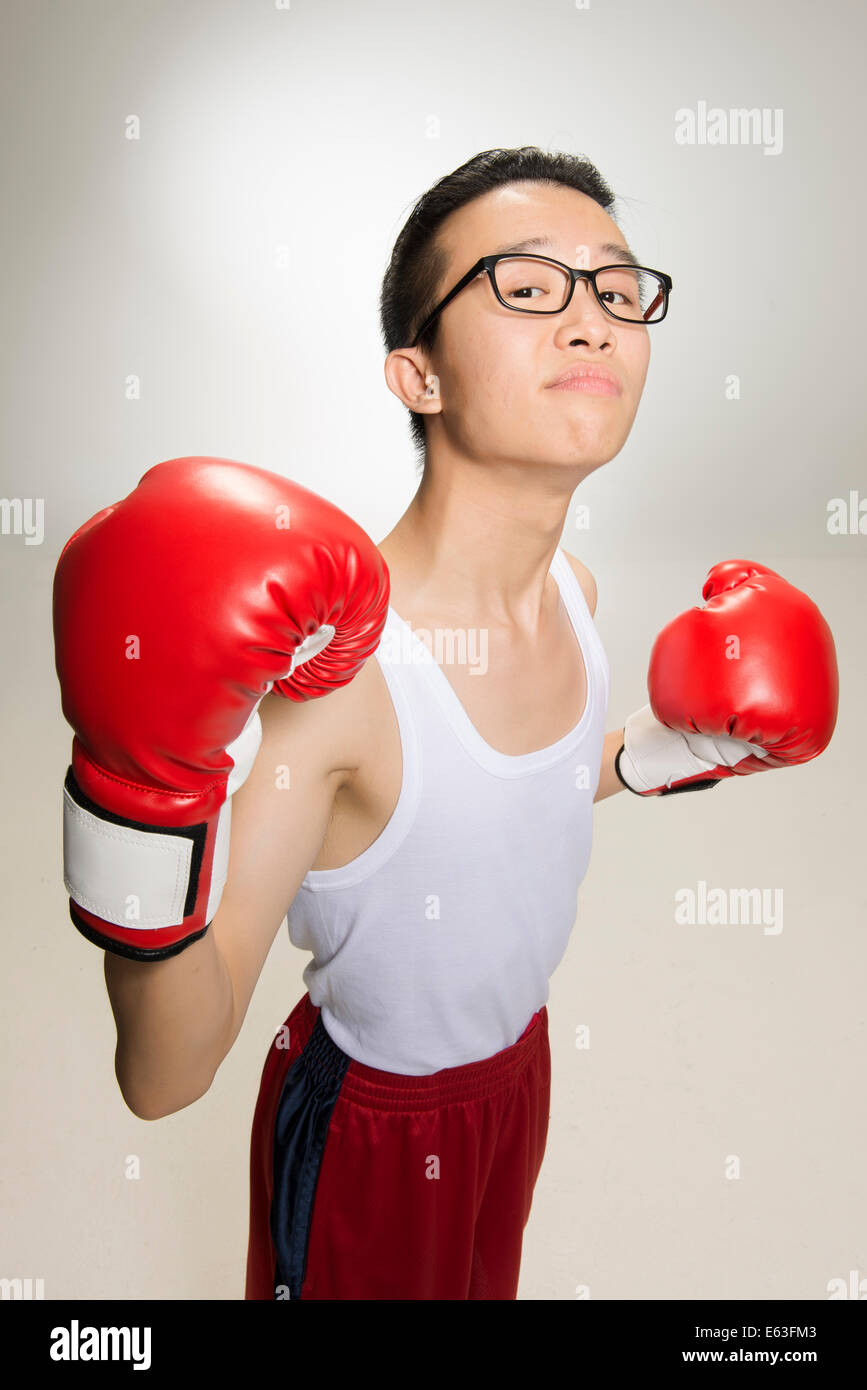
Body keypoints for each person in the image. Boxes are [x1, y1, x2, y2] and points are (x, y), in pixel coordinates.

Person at [53, 147, 838, 1301]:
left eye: (618, 289)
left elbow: (530, 783)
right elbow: (165, 1074)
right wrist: (130, 800)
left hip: (515, 1074)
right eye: (528, 285)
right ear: (418, 374)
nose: (591, 321)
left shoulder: (576, 593)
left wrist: (671, 750)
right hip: (370, 1121)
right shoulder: (339, 688)